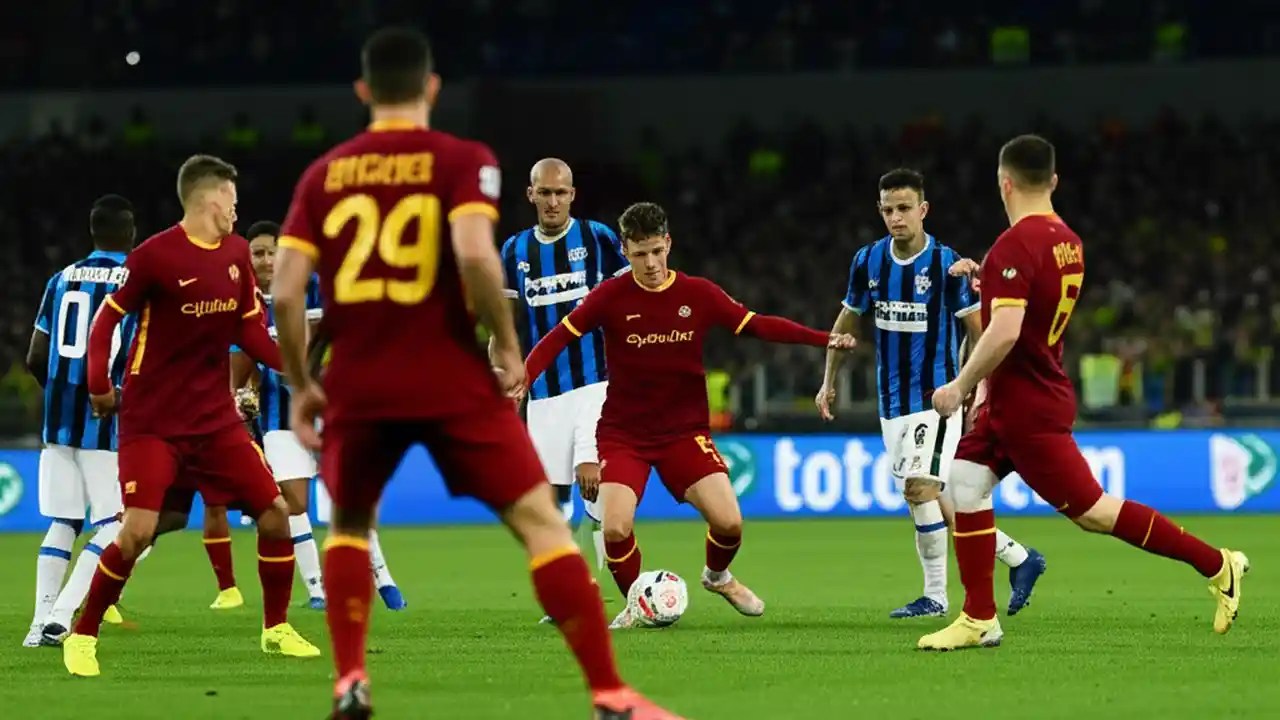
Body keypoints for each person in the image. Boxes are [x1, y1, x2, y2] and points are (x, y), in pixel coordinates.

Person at [269, 27, 681, 720]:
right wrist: (510, 344)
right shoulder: (462, 159)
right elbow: (476, 259)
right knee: (541, 524)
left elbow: (285, 293)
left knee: (347, 522)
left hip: (361, 378)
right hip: (445, 372)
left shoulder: (324, 175)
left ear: (364, 92)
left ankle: (349, 679)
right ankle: (611, 694)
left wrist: (301, 380)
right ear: (431, 88)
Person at [918, 135, 1249, 651]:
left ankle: (1218, 563)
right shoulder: (1067, 240)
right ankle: (979, 616)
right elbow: (1034, 301)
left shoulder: (1014, 244)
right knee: (964, 483)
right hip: (1017, 395)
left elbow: (1005, 331)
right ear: (1052, 181)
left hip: (1028, 405)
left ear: (1003, 183)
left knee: (1094, 512)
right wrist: (992, 283)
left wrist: (960, 384)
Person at [522, 201, 857, 629]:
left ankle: (717, 576)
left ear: (668, 244)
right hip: (624, 435)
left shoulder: (697, 294)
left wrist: (823, 339)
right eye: (640, 254)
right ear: (624, 251)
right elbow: (558, 338)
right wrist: (525, 376)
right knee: (615, 528)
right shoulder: (610, 296)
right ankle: (637, 602)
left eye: (656, 251)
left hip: (684, 434)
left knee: (729, 522)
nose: (651, 264)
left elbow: (759, 325)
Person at [61, 154, 321, 678]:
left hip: (213, 420)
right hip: (152, 421)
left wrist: (300, 372)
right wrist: (97, 384)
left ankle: (275, 629)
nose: (236, 207)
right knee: (136, 531)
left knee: (275, 512)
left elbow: (249, 332)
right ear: (208, 199)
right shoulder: (155, 256)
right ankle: (83, 634)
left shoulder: (237, 254)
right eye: (231, 197)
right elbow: (105, 323)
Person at [816, 169, 1046, 619]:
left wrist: (973, 386)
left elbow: (978, 330)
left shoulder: (947, 264)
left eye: (904, 208)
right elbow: (846, 322)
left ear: (923, 210)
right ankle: (1021, 559)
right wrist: (829, 379)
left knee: (921, 490)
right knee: (944, 500)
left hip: (936, 397)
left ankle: (935, 596)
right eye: (888, 210)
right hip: (891, 403)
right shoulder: (868, 261)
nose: (896, 217)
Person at [213, 221, 405, 612]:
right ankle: (317, 588)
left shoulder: (315, 285)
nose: (267, 260)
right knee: (293, 501)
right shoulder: (241, 300)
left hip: (331, 409)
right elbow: (240, 361)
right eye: (259, 253)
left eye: (273, 251)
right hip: (277, 412)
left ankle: (382, 576)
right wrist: (241, 393)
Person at [500, 157, 628, 608]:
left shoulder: (598, 238)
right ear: (530, 194)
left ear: (572, 195)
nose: (553, 200)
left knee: (595, 482)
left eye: (561, 192)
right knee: (552, 501)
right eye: (545, 192)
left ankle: (622, 588)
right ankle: (576, 591)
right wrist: (506, 371)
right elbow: (507, 326)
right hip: (544, 393)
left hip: (597, 383)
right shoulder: (514, 250)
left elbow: (627, 303)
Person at [24, 195, 139, 647]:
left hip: (58, 423)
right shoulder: (134, 282)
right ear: (130, 233)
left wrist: (58, 394)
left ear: (92, 233)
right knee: (113, 523)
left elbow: (35, 355)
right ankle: (60, 614)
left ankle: (37, 626)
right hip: (105, 420)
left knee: (63, 521)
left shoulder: (60, 279)